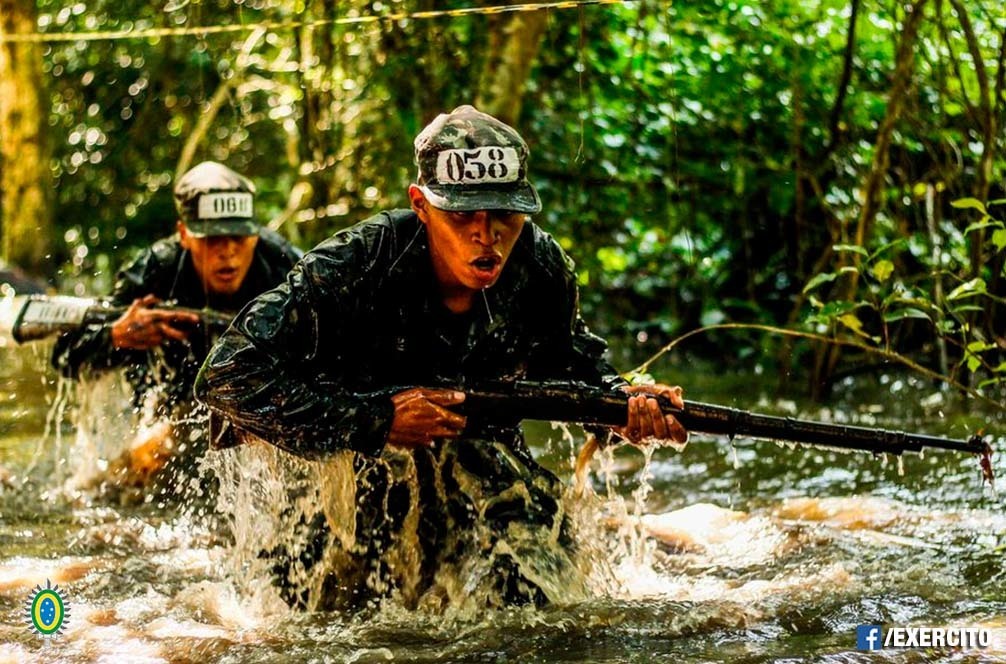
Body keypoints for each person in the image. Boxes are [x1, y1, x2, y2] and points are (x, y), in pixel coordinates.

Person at [194, 106, 687, 611]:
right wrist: (378, 419)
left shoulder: (542, 268)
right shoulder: (354, 264)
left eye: (504, 213)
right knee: (315, 613)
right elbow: (225, 374)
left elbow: (576, 364)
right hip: (351, 482)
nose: (486, 233)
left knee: (548, 598)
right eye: (462, 215)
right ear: (421, 206)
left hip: (485, 477)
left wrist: (626, 401)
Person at [52, 161, 302, 493]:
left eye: (238, 237)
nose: (228, 252)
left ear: (255, 234)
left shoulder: (288, 270)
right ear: (184, 234)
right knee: (115, 485)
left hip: (261, 417)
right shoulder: (154, 271)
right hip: (170, 422)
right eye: (213, 239)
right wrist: (117, 336)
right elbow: (64, 354)